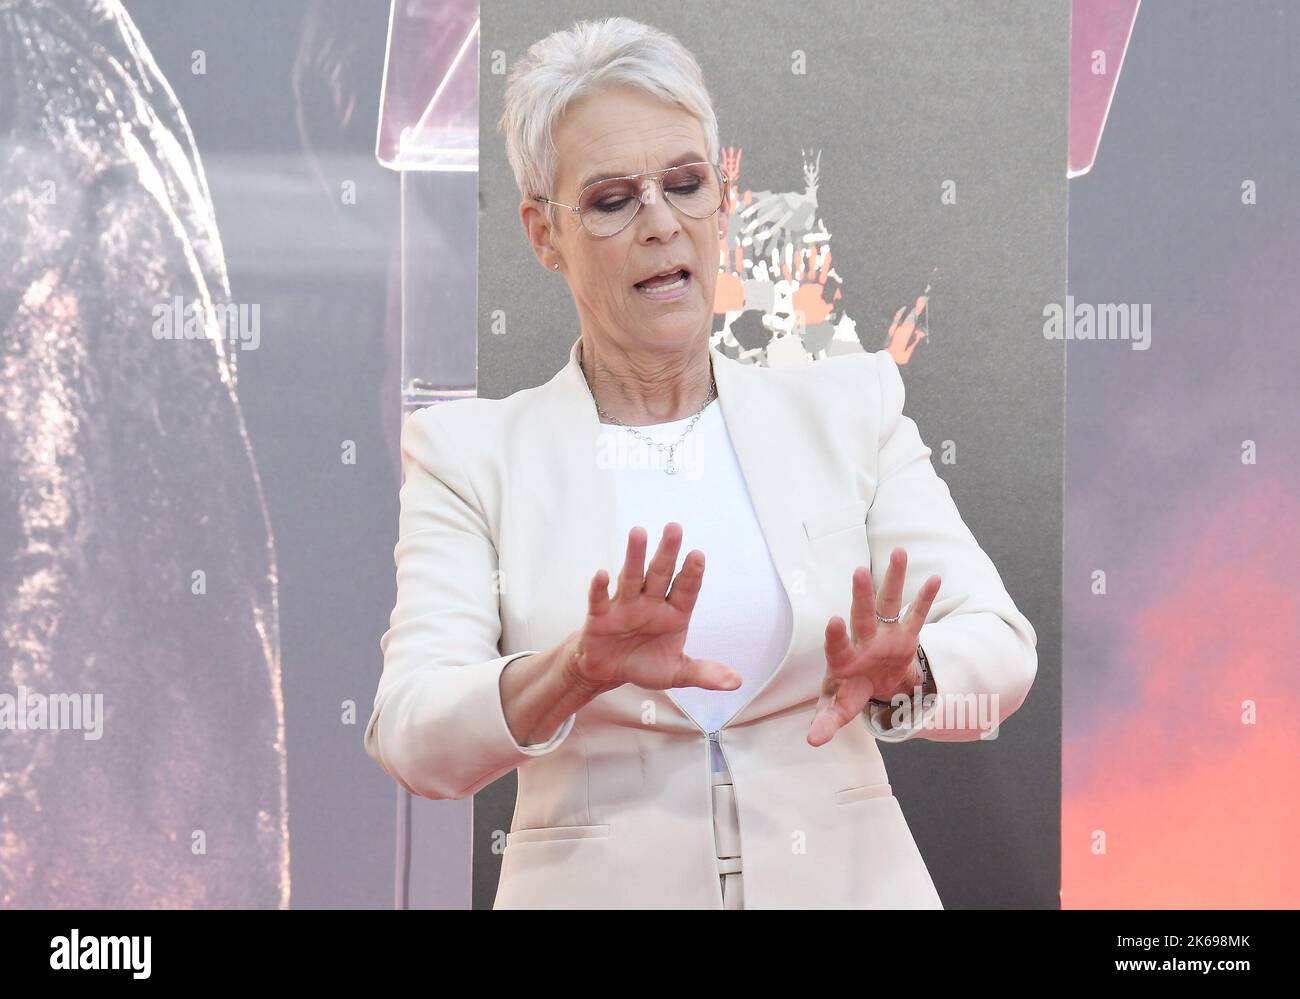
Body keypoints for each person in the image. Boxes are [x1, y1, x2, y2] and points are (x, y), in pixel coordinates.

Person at [363, 16, 1037, 909]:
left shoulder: (850, 407)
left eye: (685, 185)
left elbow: (1001, 651)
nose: (660, 224)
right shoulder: (470, 456)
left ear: (721, 199)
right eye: (611, 200)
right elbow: (413, 738)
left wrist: (908, 679)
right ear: (542, 233)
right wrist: (571, 672)